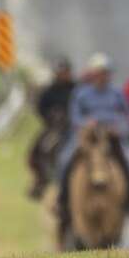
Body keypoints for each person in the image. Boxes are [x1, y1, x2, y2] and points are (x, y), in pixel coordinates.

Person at [57, 53, 129, 220]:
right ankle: (63, 200)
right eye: (99, 73)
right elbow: (74, 117)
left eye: (105, 73)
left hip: (111, 137)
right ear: (93, 74)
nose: (102, 76)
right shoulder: (81, 94)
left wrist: (119, 128)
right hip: (87, 137)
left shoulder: (117, 94)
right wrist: (86, 123)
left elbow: (128, 117)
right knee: (65, 159)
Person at [27, 56, 76, 199]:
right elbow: (40, 108)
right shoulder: (49, 91)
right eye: (61, 72)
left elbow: (82, 107)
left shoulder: (77, 89)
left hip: (73, 128)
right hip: (54, 127)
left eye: (65, 71)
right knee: (39, 148)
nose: (63, 74)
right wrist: (50, 117)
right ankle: (41, 179)